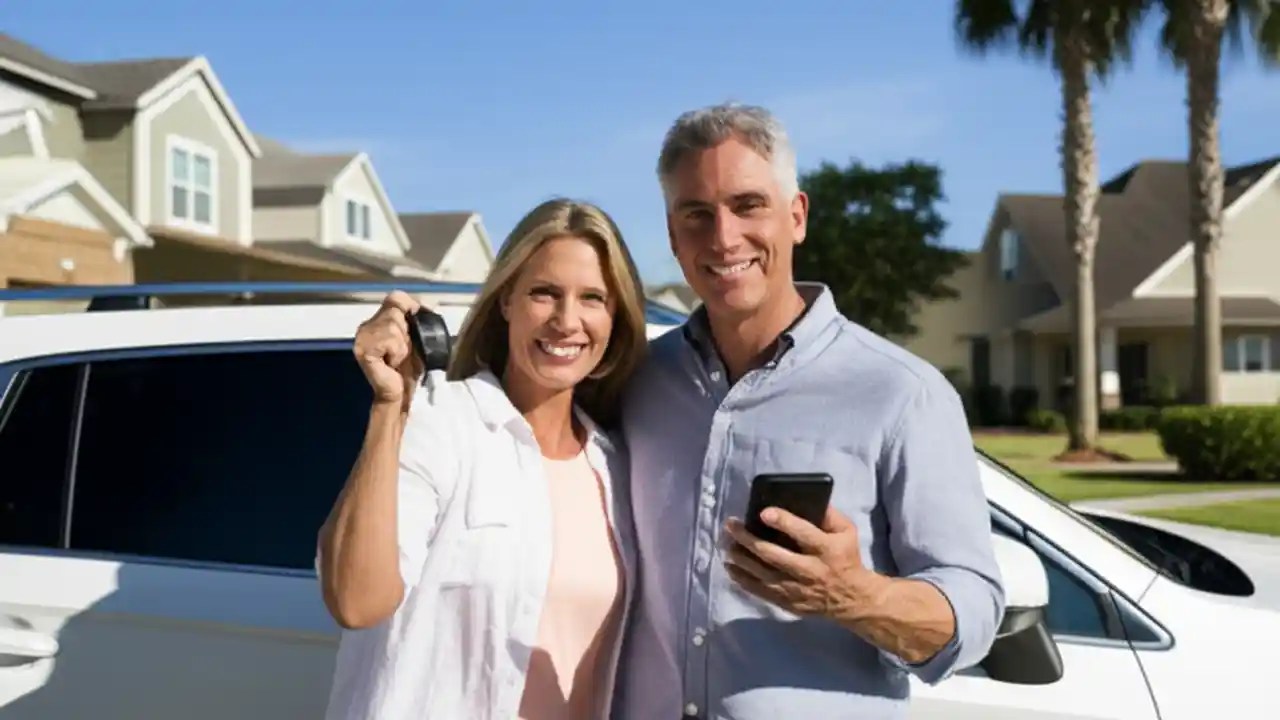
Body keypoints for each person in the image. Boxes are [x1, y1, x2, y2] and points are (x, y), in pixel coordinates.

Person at [612, 103, 1006, 719]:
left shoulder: (903, 394)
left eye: (748, 205)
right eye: (697, 214)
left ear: (796, 216)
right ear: (671, 235)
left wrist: (852, 595)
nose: (723, 237)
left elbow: (974, 613)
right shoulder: (634, 381)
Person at [316, 198, 650, 720]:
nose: (567, 320)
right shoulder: (442, 422)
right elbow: (358, 601)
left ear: (616, 317)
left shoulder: (615, 466)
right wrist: (389, 406)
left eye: (592, 298)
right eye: (544, 292)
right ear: (506, 302)